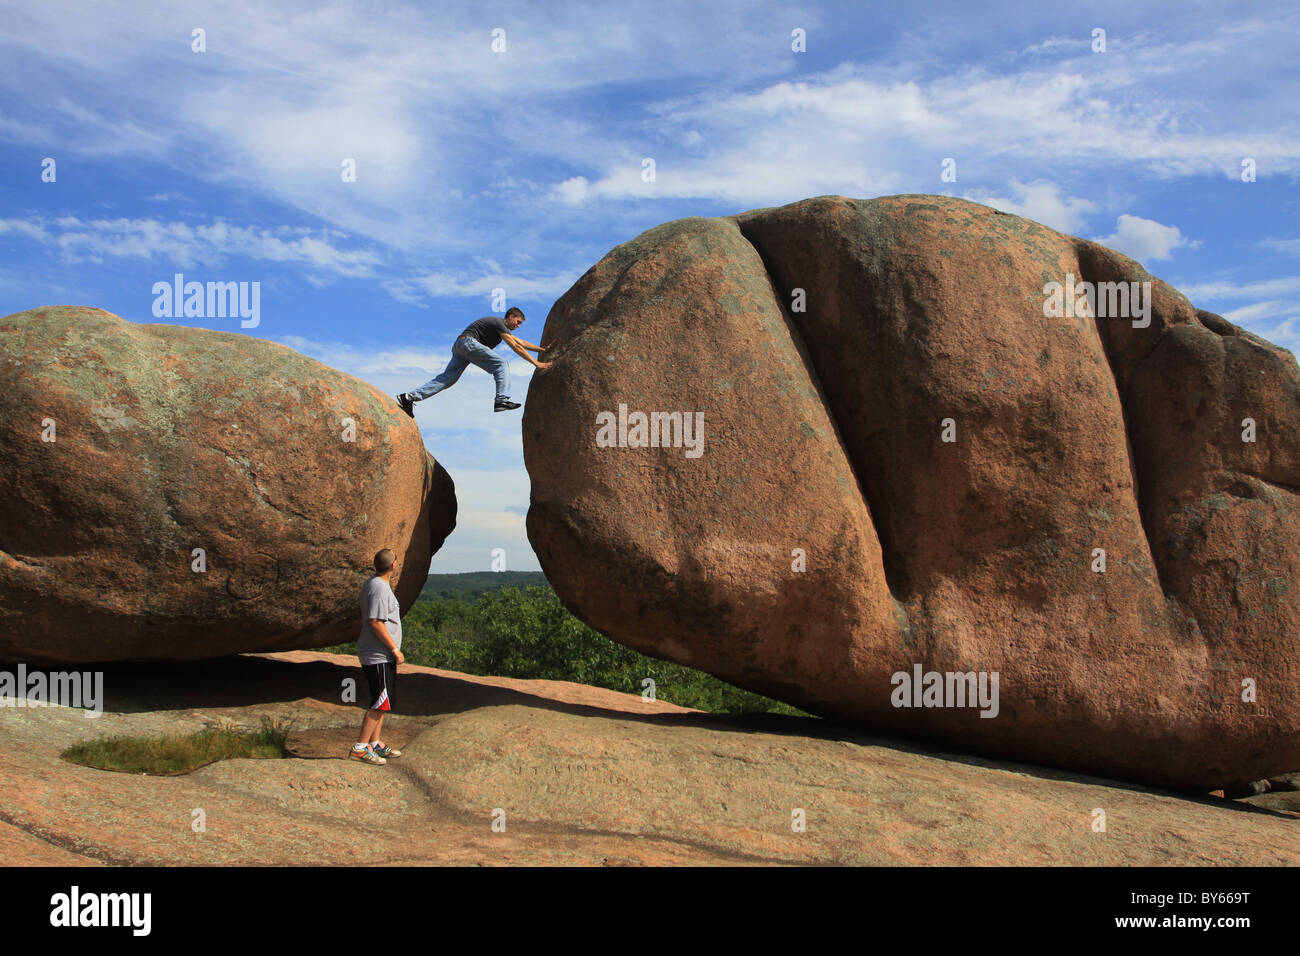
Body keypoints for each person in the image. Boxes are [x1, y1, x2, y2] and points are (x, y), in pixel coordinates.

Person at [396, 306, 551, 416]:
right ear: (511, 317)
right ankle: (502, 400)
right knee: (501, 364)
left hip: (460, 347)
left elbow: (521, 342)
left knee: (447, 380)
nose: (518, 326)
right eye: (518, 322)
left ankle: (409, 397)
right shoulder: (498, 322)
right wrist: (536, 364)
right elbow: (515, 346)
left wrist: (542, 350)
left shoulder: (502, 329)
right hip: (468, 344)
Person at [350, 548, 405, 765]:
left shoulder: (374, 584)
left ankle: (374, 743)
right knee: (380, 701)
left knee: (384, 700)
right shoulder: (380, 588)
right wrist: (394, 649)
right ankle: (360, 747)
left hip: (379, 653)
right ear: (393, 566)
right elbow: (376, 622)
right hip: (378, 654)